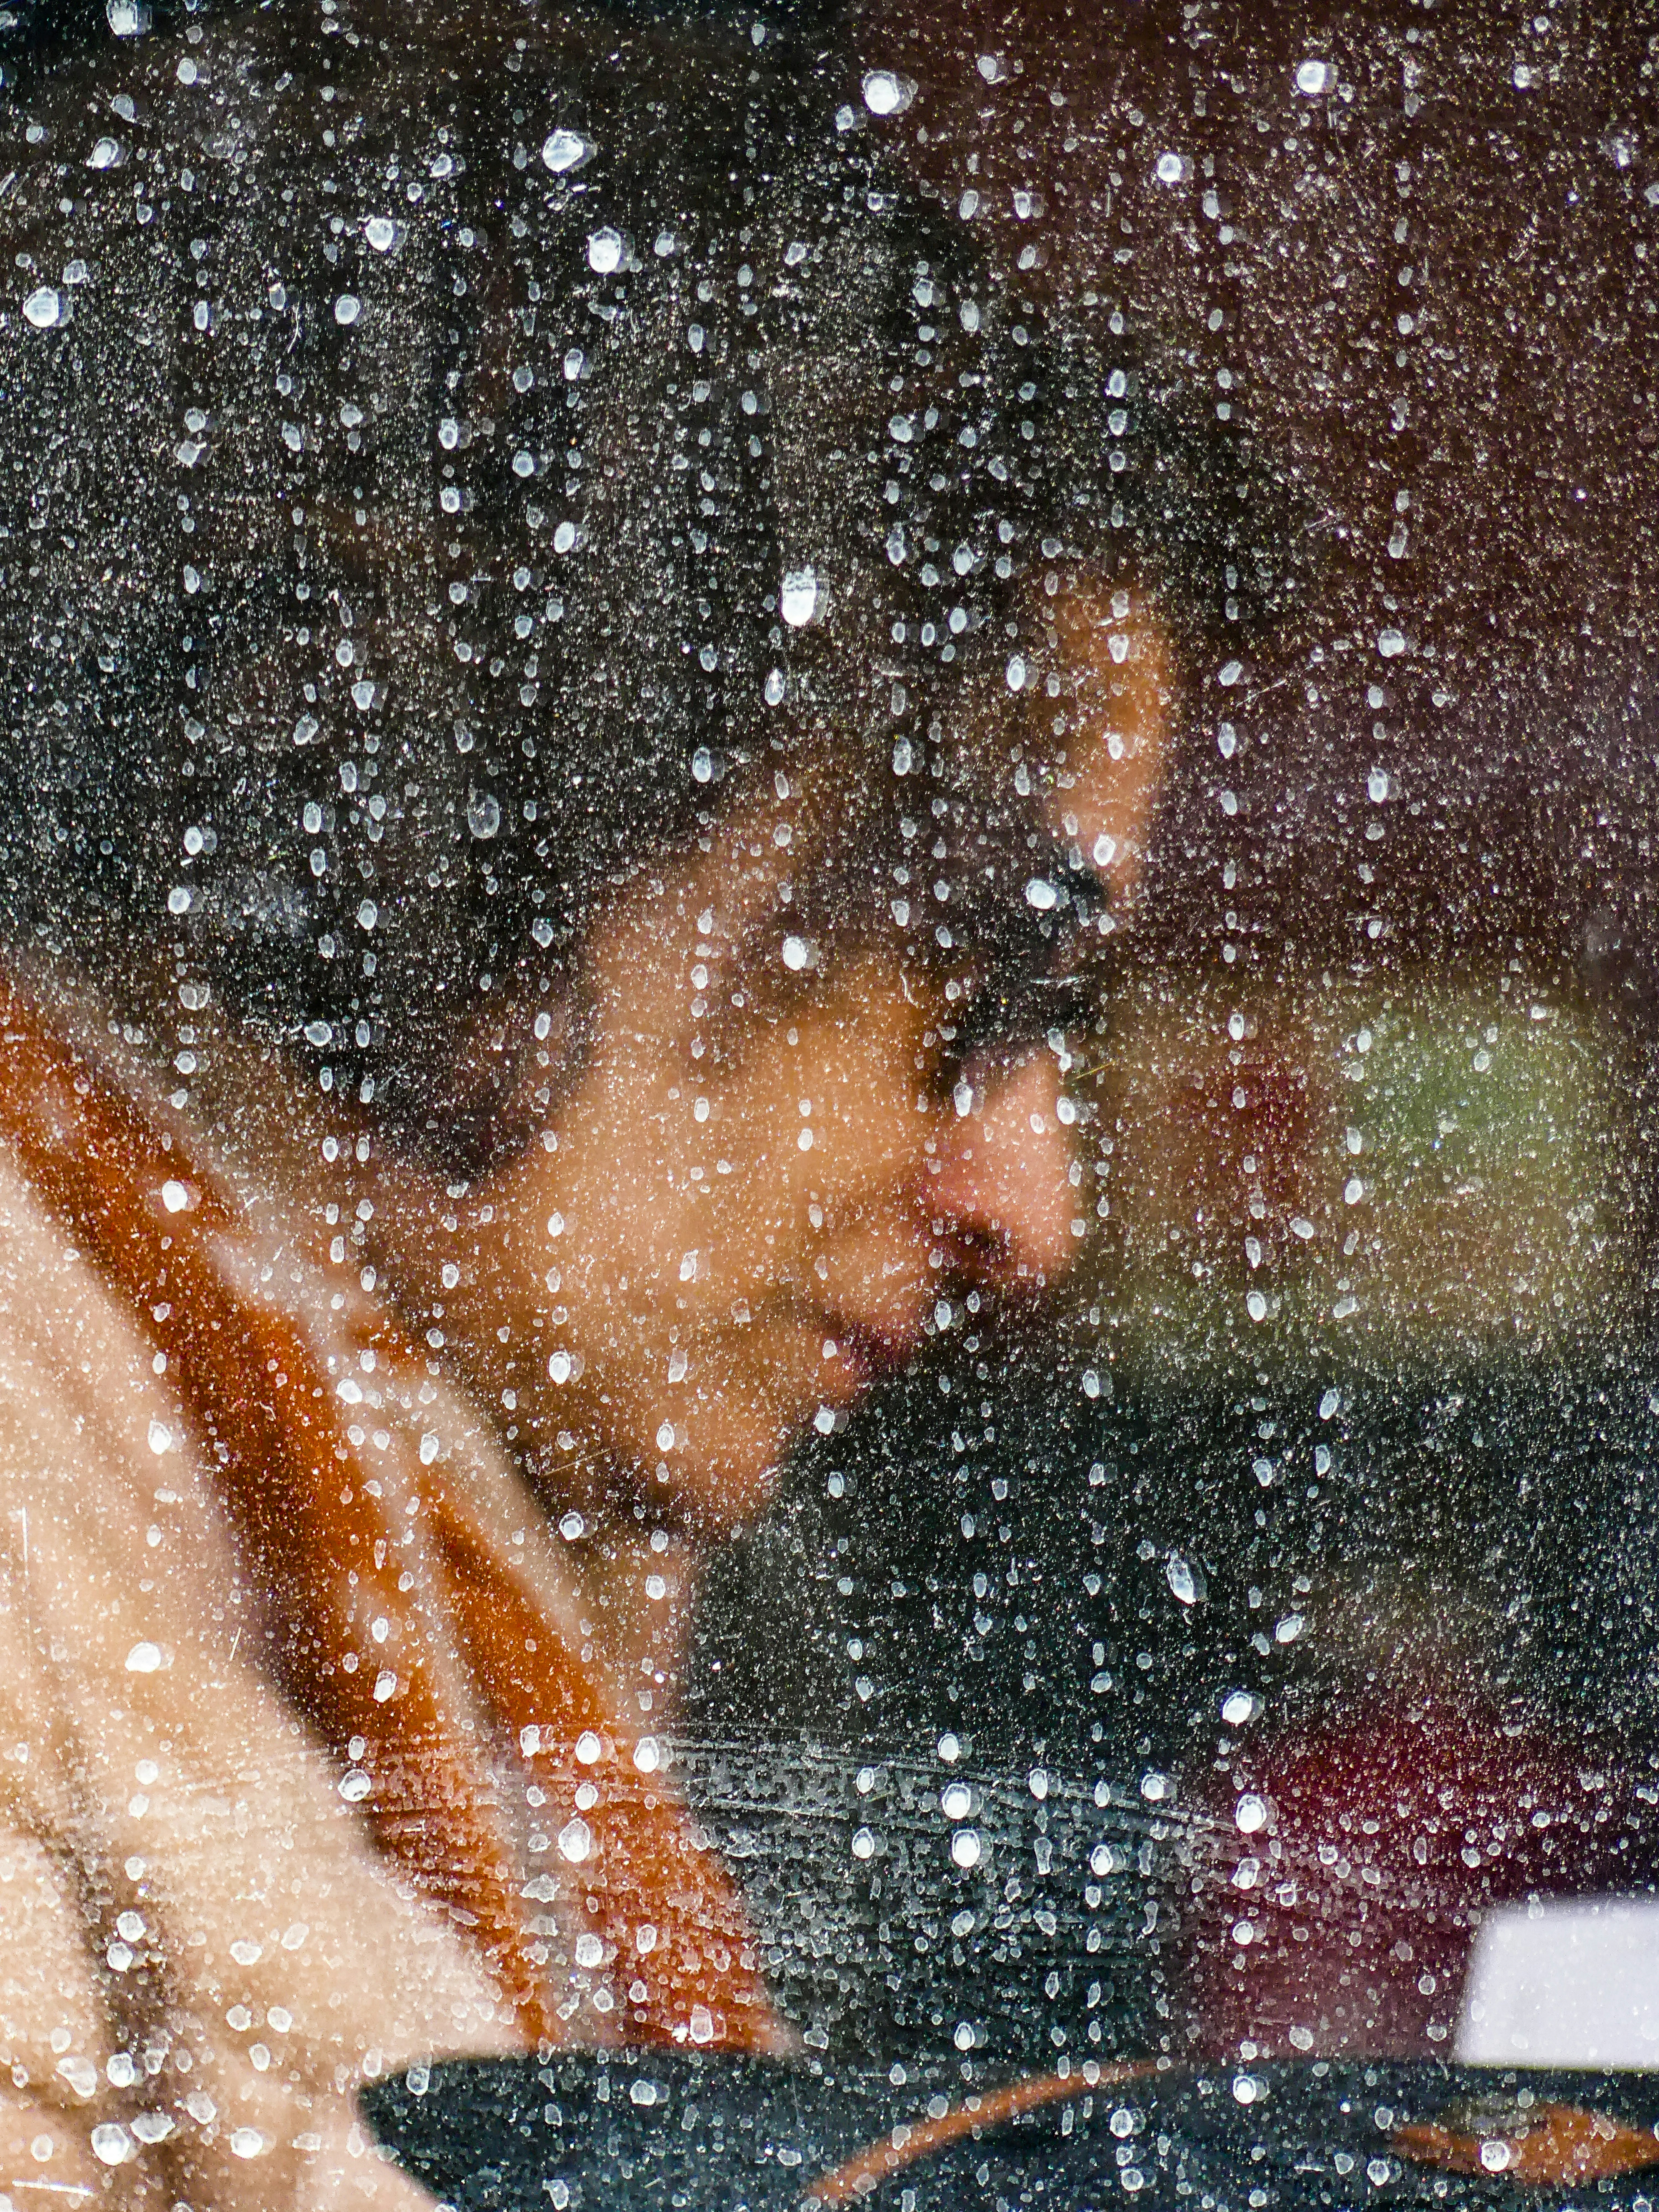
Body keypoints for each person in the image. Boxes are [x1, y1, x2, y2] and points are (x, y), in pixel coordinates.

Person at [0, 0, 1247, 2196]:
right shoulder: (66, 1575)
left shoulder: (354, 1557)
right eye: (970, 970)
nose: (1026, 1203)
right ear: (496, 811)